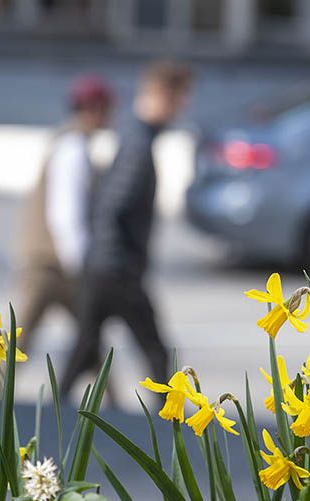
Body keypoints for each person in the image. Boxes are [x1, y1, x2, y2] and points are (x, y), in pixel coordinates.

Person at [60, 61, 193, 400]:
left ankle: (54, 413)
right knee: (155, 351)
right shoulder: (138, 144)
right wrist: (130, 259)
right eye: (179, 99)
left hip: (103, 265)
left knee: (84, 349)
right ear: (162, 96)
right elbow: (116, 204)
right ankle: (171, 423)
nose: (182, 107)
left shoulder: (134, 138)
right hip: (116, 268)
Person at [14, 74, 114, 356]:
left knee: (89, 337)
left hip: (50, 261)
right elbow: (65, 214)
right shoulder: (73, 148)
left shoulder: (70, 143)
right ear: (93, 110)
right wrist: (80, 266)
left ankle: (109, 395)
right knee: (22, 342)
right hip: (52, 265)